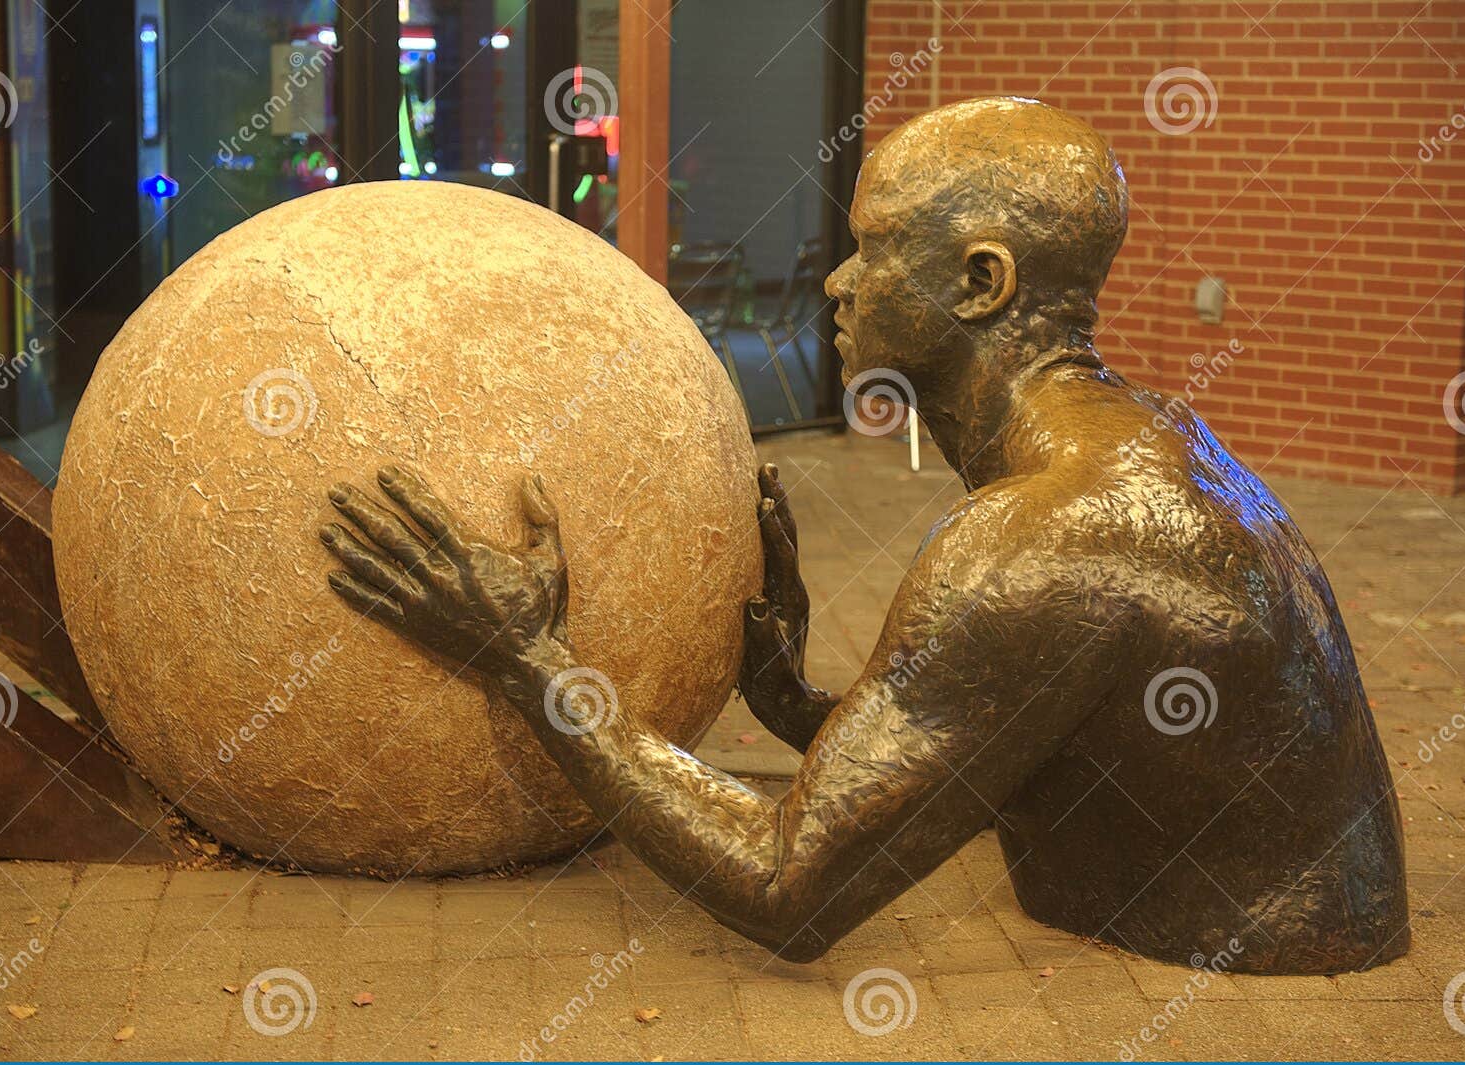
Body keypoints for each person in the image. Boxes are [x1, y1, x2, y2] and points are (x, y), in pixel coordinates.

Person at [320, 97, 1408, 973]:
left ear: (982, 282)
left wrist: (524, 658)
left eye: (875, 249)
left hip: (1244, 953)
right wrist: (794, 706)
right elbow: (1010, 742)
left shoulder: (1048, 537)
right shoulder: (1136, 442)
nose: (837, 281)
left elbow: (789, 889)